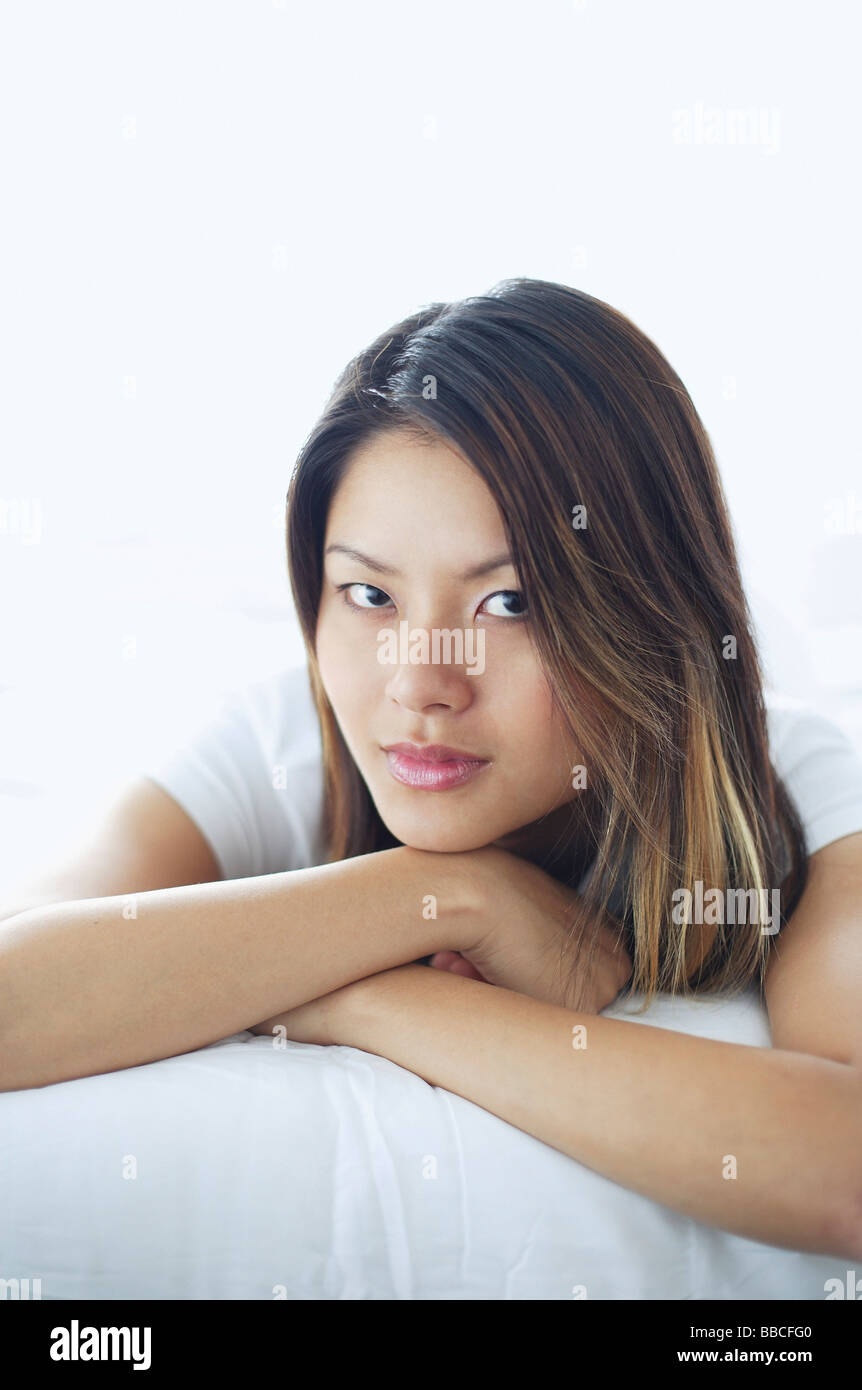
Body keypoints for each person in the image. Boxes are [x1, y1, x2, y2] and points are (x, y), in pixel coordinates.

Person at [2, 278, 861, 1260]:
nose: (419, 684)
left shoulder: (792, 771)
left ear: (641, 611)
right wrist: (445, 894)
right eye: (367, 592)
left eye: (510, 604)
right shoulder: (285, 739)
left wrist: (356, 996)